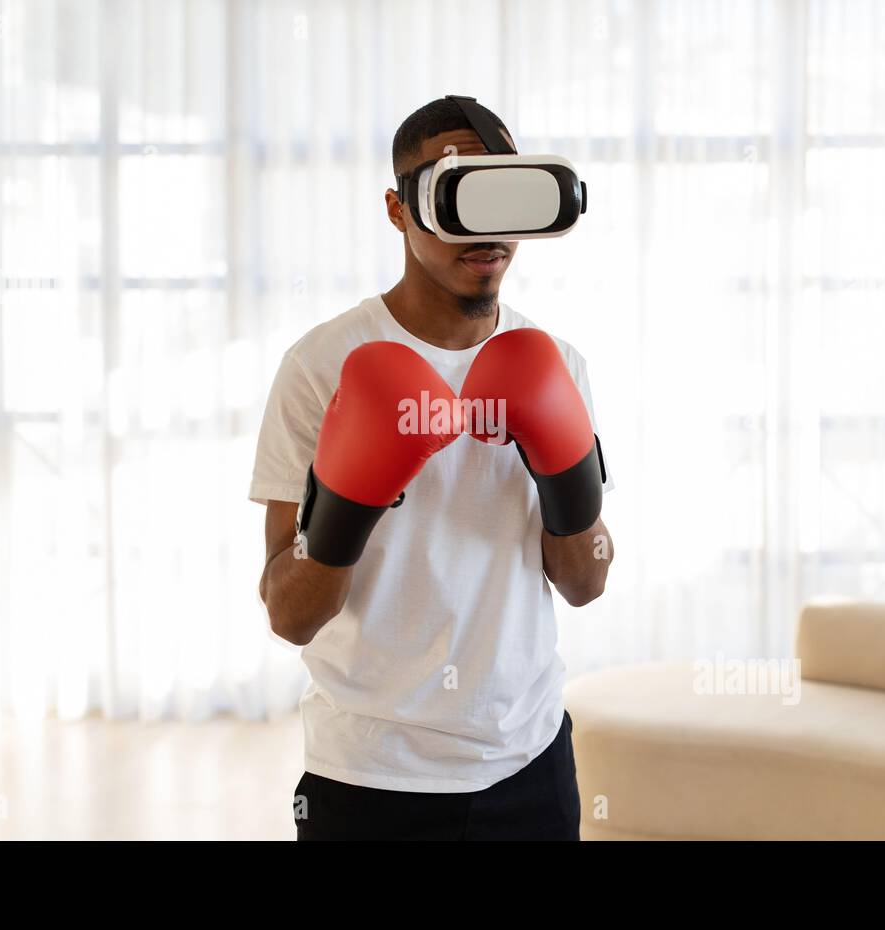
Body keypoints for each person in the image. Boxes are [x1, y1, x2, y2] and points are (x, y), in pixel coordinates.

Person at [250, 96, 613, 840]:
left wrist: (564, 473)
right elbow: (290, 615)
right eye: (457, 196)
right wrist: (347, 502)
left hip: (529, 761)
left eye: (502, 195)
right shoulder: (321, 367)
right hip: (367, 776)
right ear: (398, 209)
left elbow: (586, 582)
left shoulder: (558, 366)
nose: (486, 233)